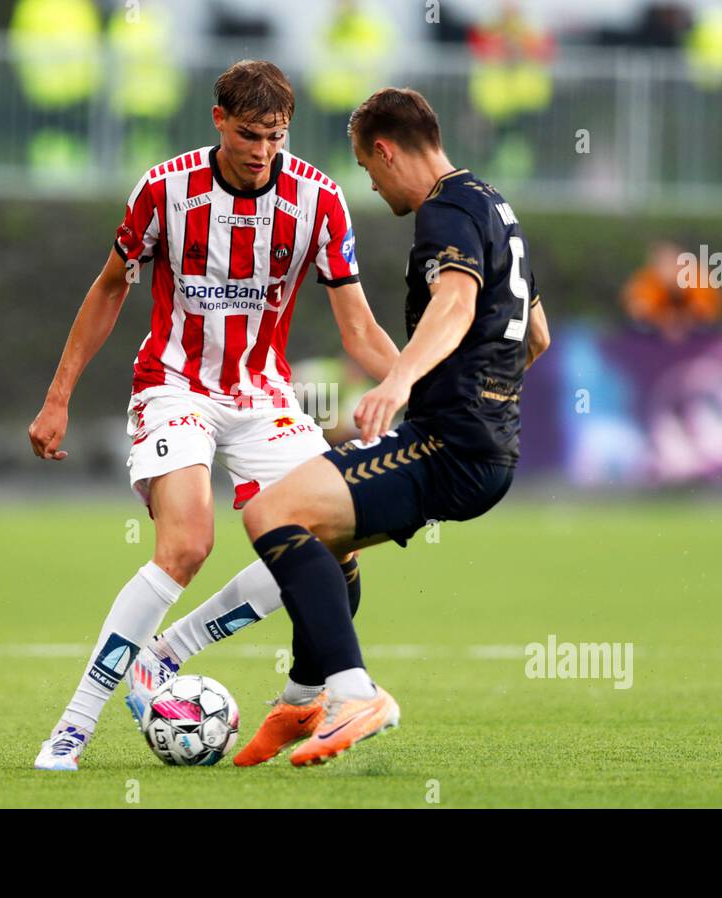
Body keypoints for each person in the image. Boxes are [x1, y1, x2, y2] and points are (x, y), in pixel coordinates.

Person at [26, 60, 399, 771]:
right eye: (252, 134)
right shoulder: (165, 190)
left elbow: (358, 329)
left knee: (335, 543)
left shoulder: (318, 199)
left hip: (263, 395)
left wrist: (419, 382)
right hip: (175, 384)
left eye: (278, 137)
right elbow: (110, 289)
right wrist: (58, 395)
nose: (264, 151)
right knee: (188, 543)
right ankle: (72, 727)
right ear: (219, 120)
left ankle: (175, 659)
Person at [233, 87, 551, 767]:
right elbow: (538, 337)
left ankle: (354, 691)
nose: (372, 186)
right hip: (488, 446)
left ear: (385, 148)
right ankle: (299, 699)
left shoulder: (443, 210)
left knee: (269, 514)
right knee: (324, 539)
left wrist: (403, 381)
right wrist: (486, 392)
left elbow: (458, 299)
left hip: (451, 442)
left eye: (368, 169)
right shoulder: (494, 204)